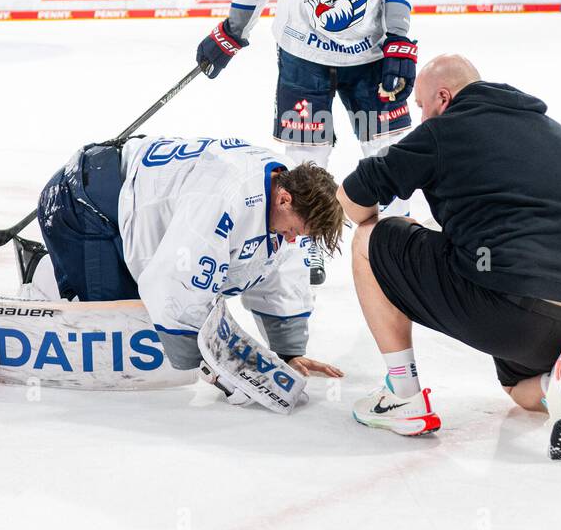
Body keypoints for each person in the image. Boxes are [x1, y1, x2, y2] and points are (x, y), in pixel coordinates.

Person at [335, 55, 561, 460]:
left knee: (370, 240)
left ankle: (402, 395)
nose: (421, 117)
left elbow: (351, 197)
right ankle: (558, 383)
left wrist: (397, 244)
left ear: (443, 96)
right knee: (519, 394)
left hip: (505, 305)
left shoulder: (443, 131)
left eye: (421, 106)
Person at [193, 0, 420, 286]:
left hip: (372, 53)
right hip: (302, 53)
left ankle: (397, 241)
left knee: (385, 149)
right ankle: (314, 237)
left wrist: (399, 39)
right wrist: (231, 32)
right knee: (307, 155)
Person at [35, 135, 344, 378]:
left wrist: (289, 352)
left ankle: (69, 268)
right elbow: (175, 280)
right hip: (83, 203)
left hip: (132, 199)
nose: (292, 239)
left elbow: (282, 275)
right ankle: (47, 274)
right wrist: (209, 367)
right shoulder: (224, 195)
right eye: (294, 230)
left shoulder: (286, 191)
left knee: (150, 330)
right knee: (121, 338)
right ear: (284, 199)